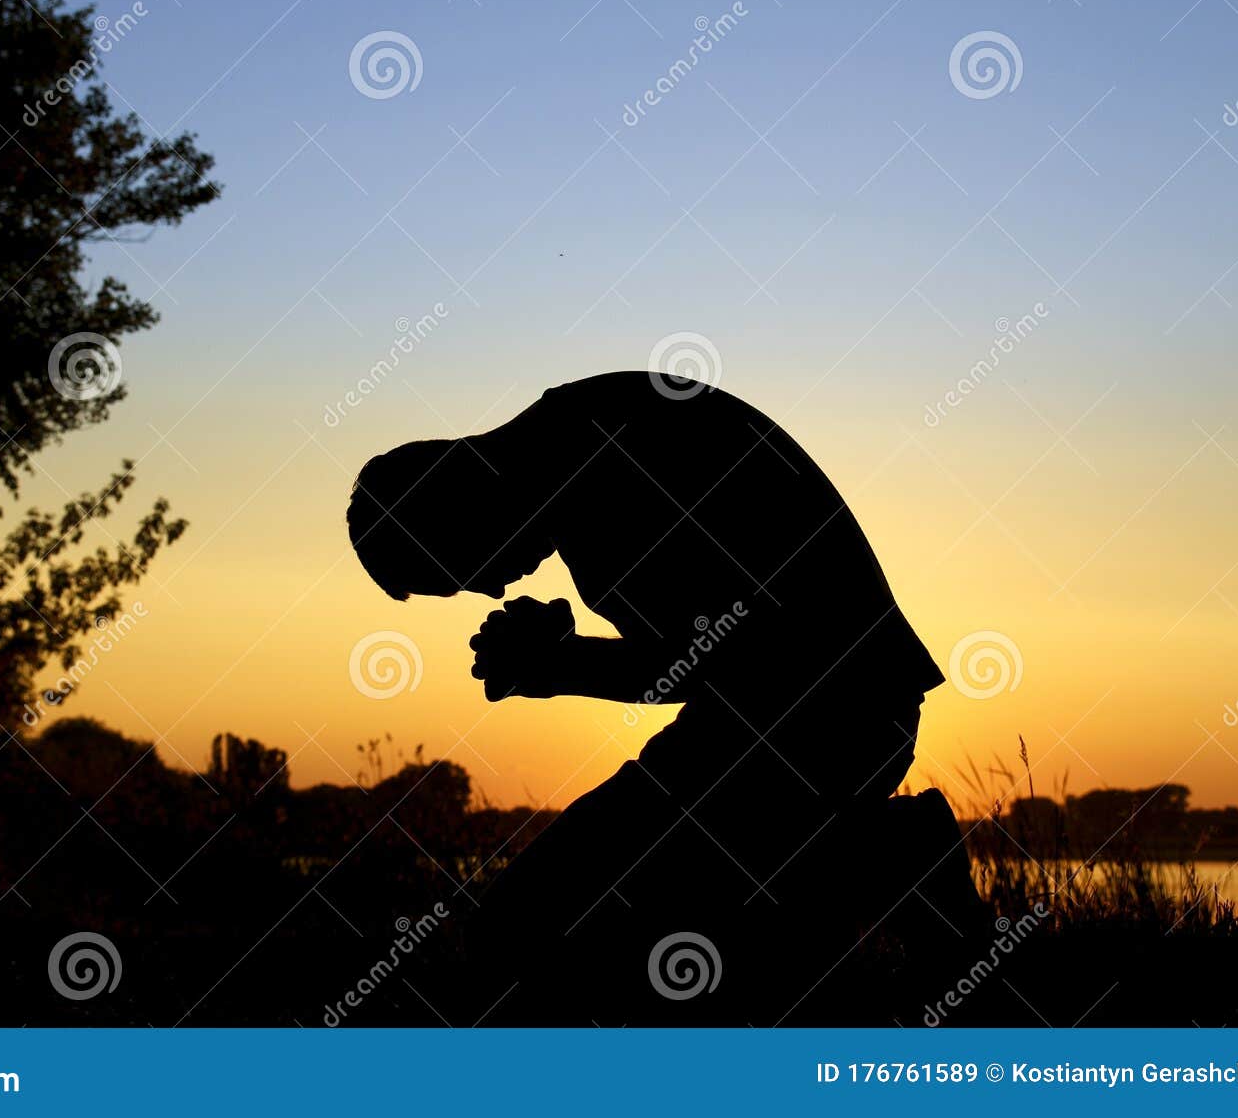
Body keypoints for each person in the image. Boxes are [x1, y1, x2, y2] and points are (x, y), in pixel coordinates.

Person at [347, 371, 985, 1023]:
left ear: (455, 502)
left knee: (527, 924)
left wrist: (563, 664)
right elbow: (708, 647)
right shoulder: (580, 444)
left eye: (459, 569)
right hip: (803, 713)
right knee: (633, 928)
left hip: (818, 720)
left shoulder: (599, 461)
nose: (485, 588)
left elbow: (718, 653)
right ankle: (872, 862)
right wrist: (567, 652)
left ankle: (880, 862)